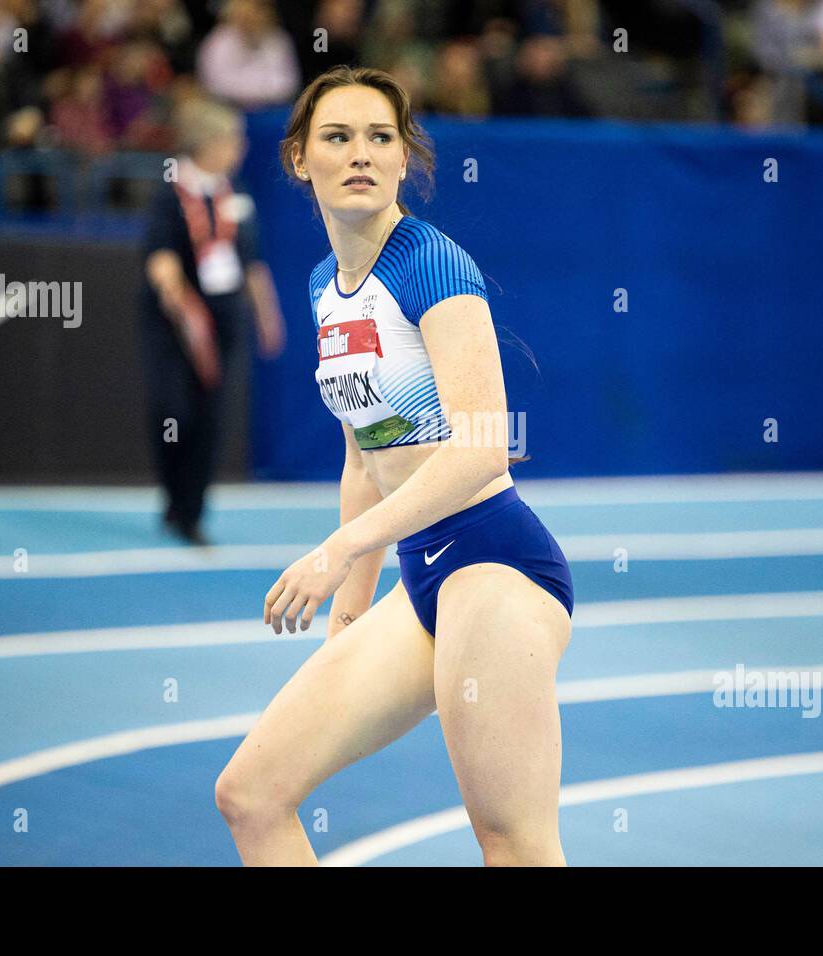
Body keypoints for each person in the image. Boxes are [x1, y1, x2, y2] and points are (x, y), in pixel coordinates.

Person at [214, 66, 576, 866]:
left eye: (381, 138)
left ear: (405, 158)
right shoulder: (324, 287)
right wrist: (348, 613)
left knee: (514, 844)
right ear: (299, 160)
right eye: (337, 138)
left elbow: (481, 444)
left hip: (494, 564)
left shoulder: (432, 265)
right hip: (419, 577)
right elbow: (360, 456)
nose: (361, 154)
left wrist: (337, 549)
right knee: (251, 796)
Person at [140, 97, 285, 544]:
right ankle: (172, 492)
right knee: (171, 412)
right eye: (231, 138)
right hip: (176, 321)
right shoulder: (171, 189)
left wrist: (267, 315)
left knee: (210, 417)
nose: (239, 147)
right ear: (206, 142)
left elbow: (251, 262)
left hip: (223, 321)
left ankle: (191, 513)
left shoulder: (235, 194)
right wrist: (174, 295)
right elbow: (159, 254)